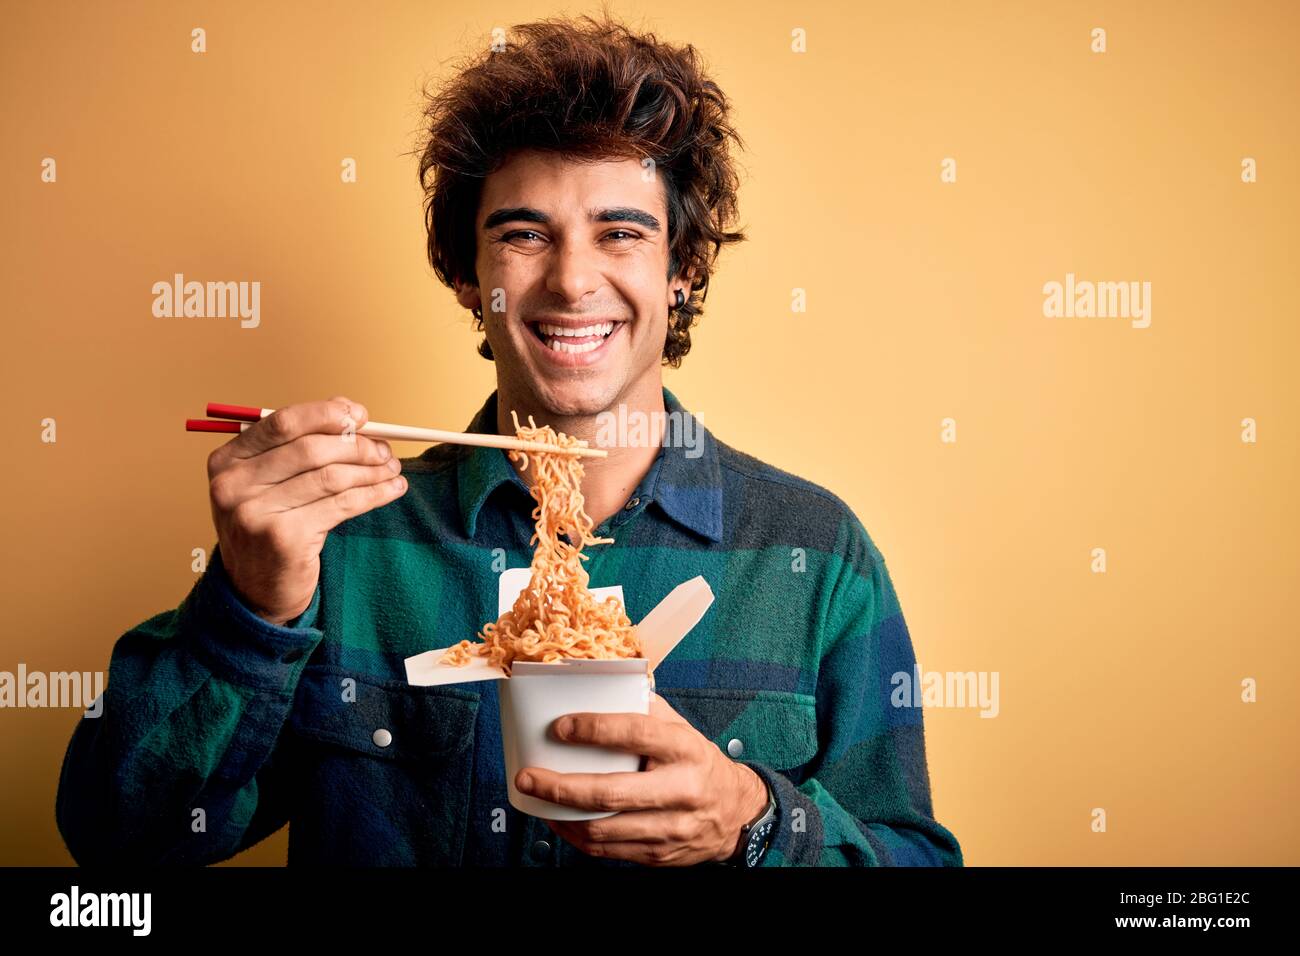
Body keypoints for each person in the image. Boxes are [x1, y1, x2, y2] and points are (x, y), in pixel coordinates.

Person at [55, 13, 962, 867]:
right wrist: (250, 608)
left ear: (683, 271)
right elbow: (120, 837)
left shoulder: (814, 553)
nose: (572, 281)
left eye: (622, 233)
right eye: (524, 234)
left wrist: (756, 826)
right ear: (465, 272)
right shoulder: (349, 541)